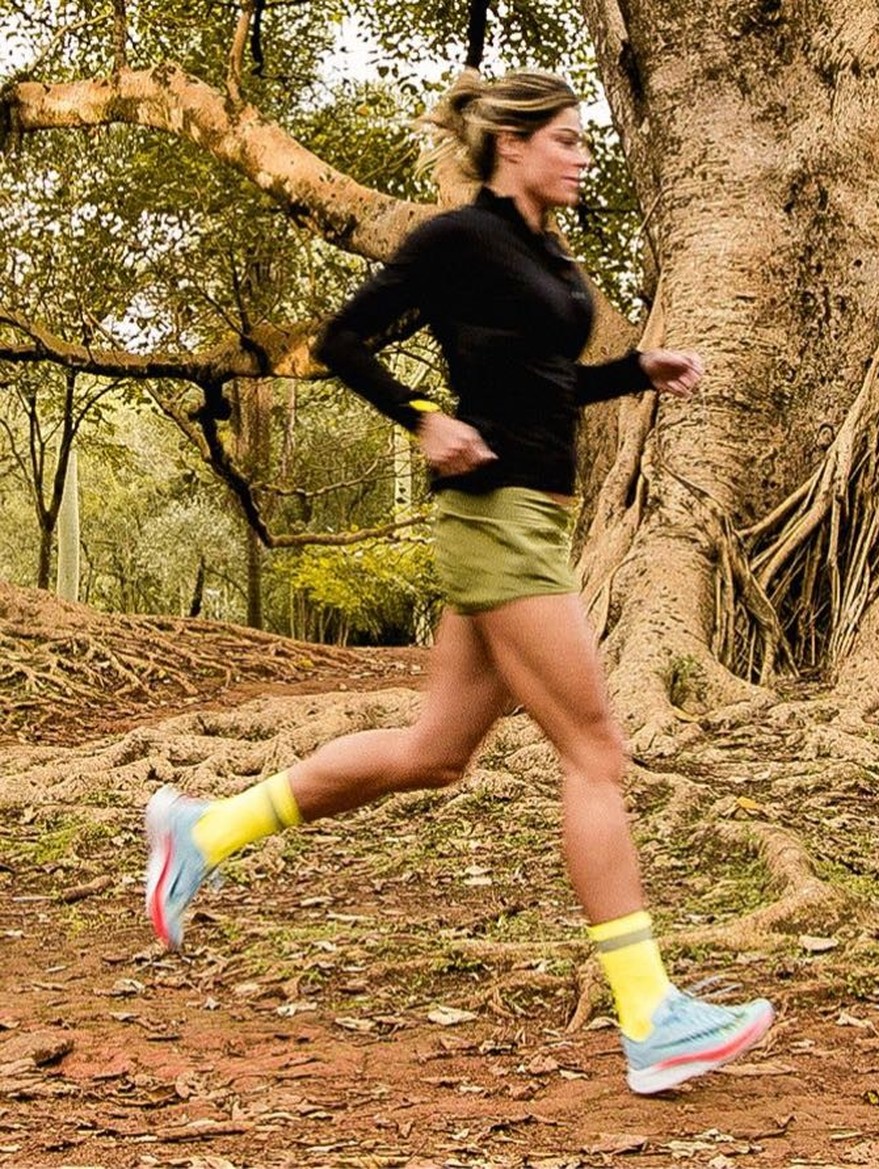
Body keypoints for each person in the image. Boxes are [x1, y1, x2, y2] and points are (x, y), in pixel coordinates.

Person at [145, 69, 774, 1095]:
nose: (580, 155)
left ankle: (202, 830)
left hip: (531, 520)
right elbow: (341, 342)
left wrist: (636, 371)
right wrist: (424, 419)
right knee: (597, 751)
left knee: (436, 752)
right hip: (498, 522)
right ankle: (651, 1013)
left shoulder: (537, 250)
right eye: (566, 139)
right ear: (513, 145)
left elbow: (544, 381)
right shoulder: (456, 238)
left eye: (583, 140)